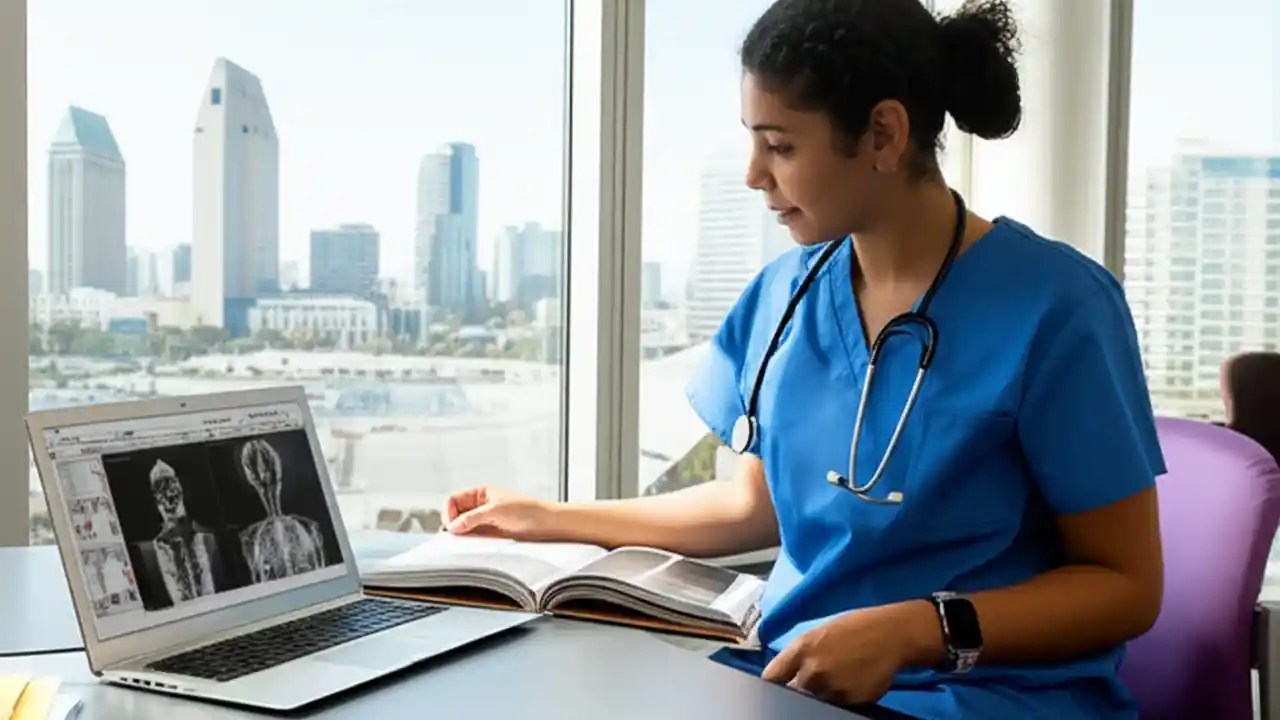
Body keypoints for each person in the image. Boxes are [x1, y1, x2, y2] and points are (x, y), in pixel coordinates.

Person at [444, 0, 1165, 717]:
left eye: (781, 146)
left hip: (980, 695)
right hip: (790, 681)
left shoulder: (1057, 305)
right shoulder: (785, 295)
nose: (755, 174)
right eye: (752, 142)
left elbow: (1126, 585)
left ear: (883, 133)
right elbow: (749, 507)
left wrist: (918, 630)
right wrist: (549, 516)